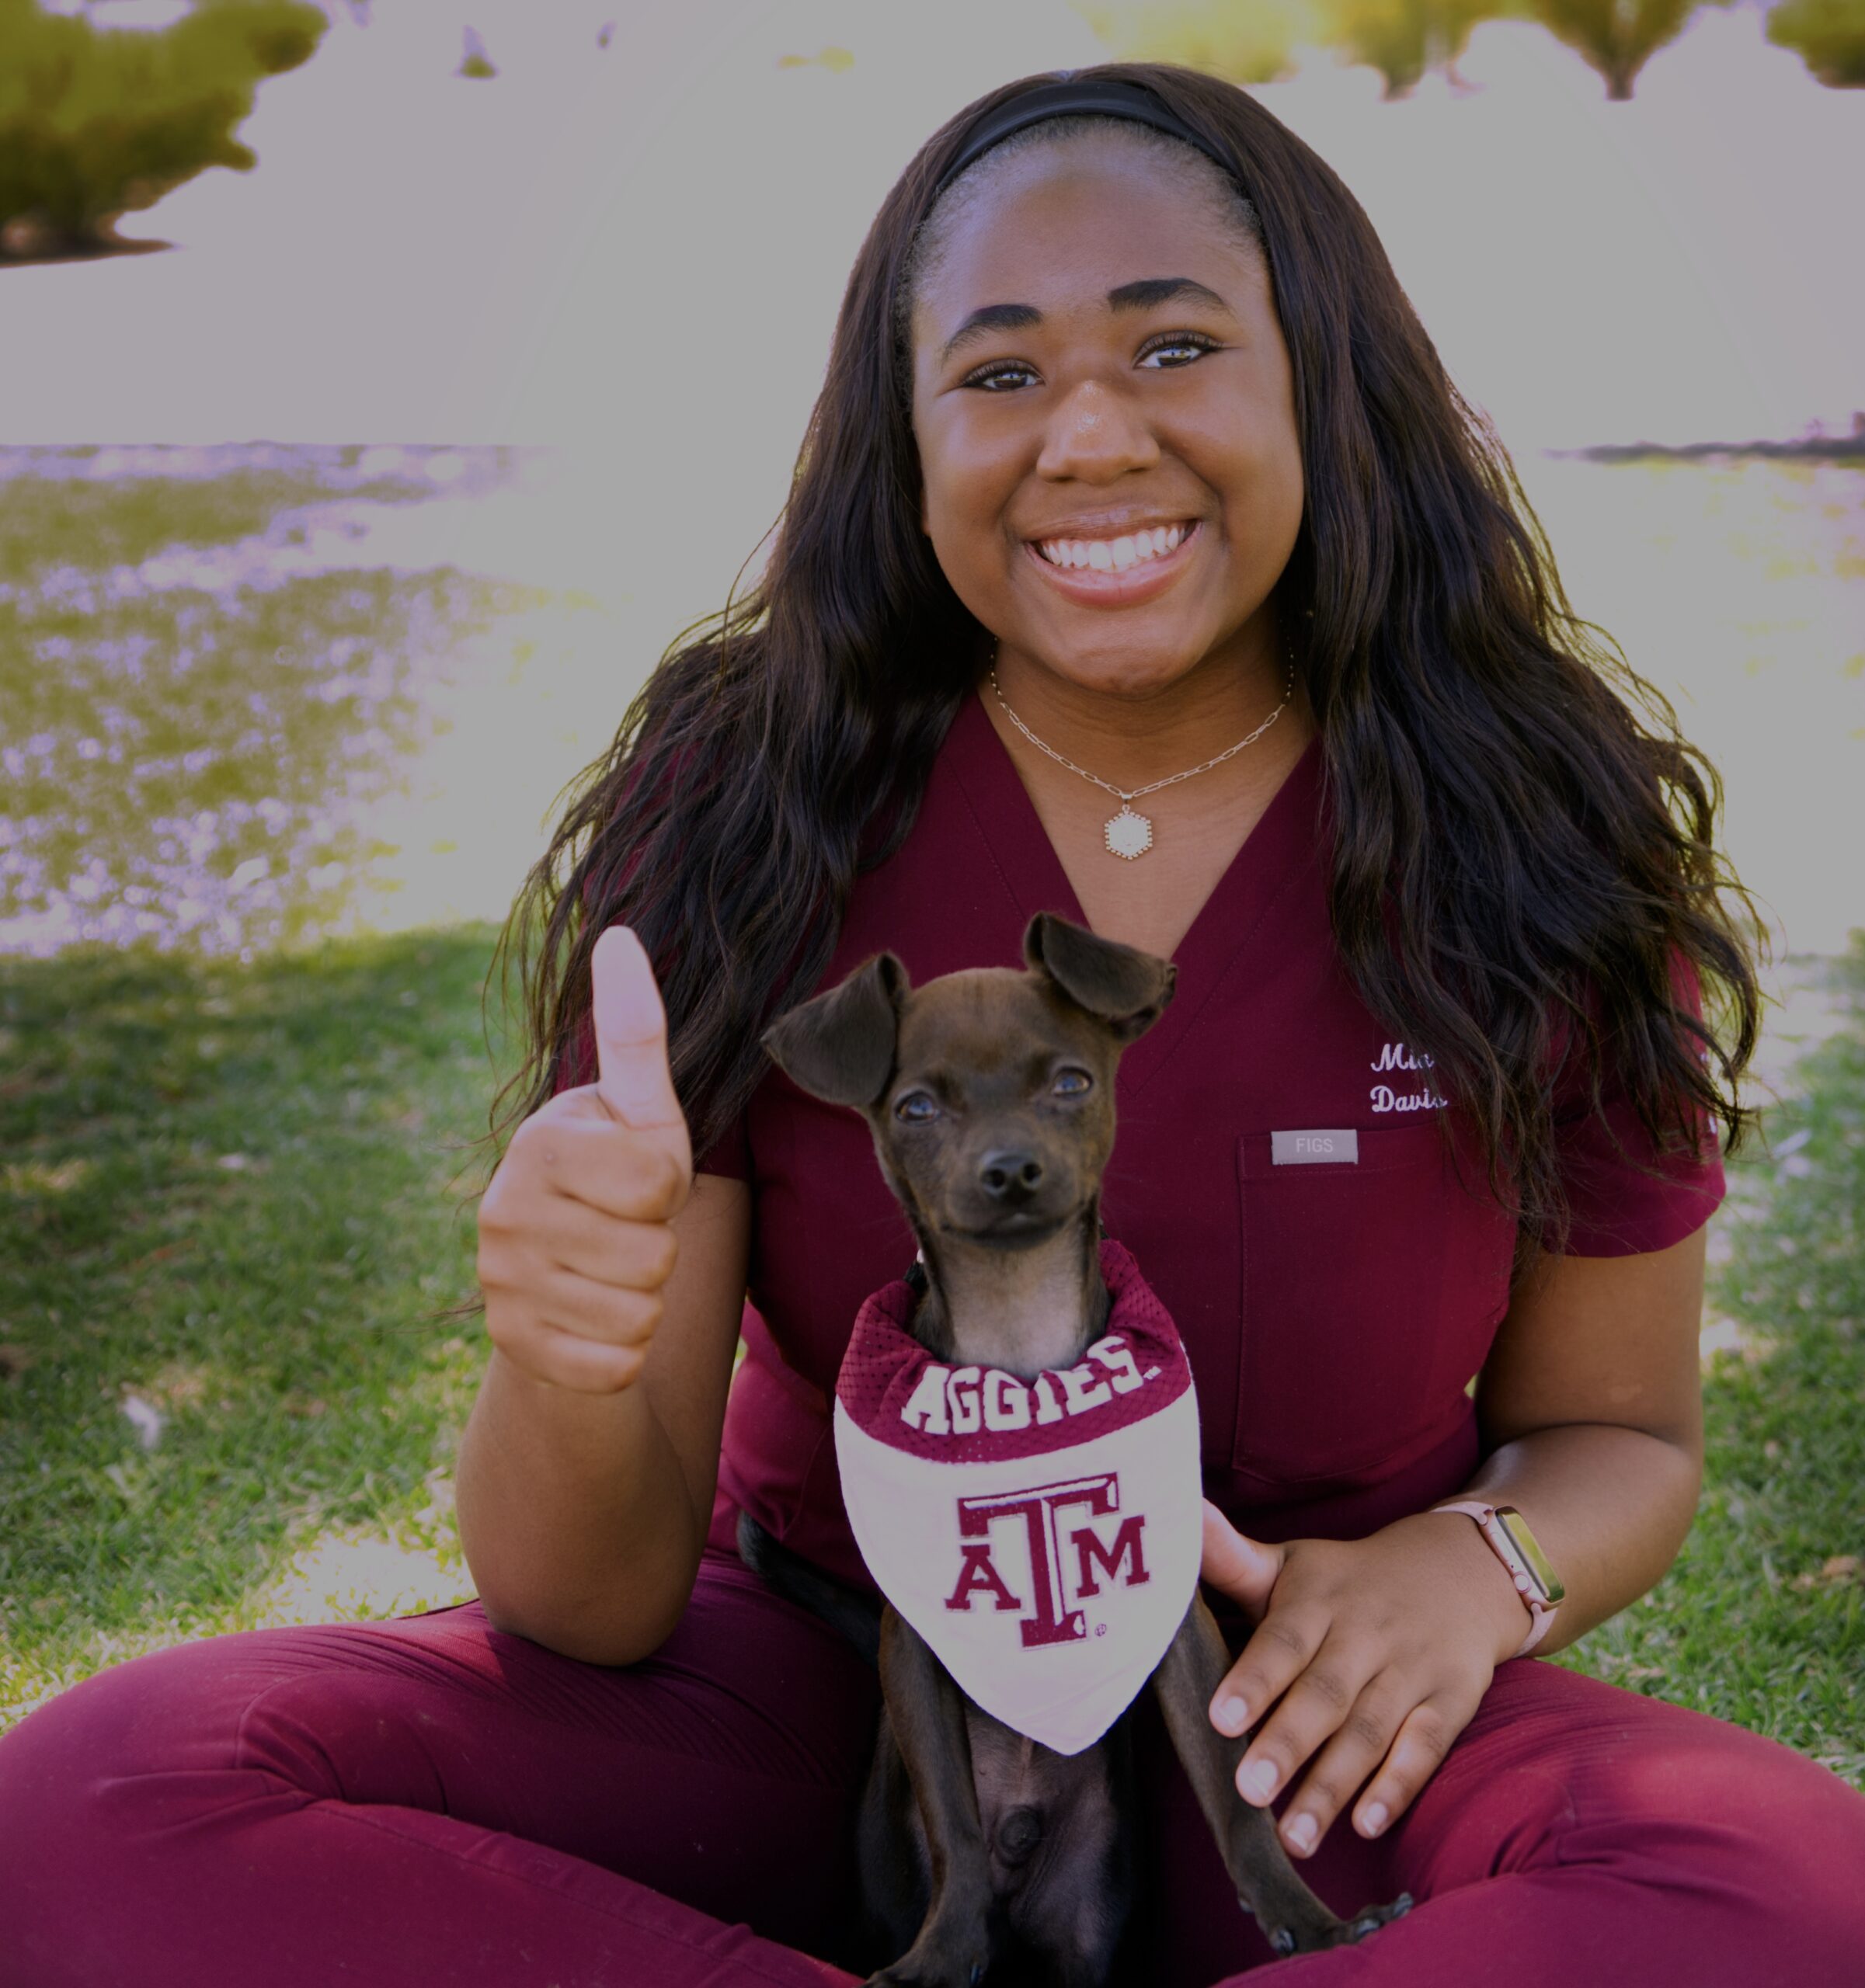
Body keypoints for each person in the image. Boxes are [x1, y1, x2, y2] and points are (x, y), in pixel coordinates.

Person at [2, 61, 1861, 1988]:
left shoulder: (1527, 822)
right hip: (838, 1705)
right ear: (903, 439)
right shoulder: (753, 795)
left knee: (1789, 1893)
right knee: (102, 1803)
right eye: (996, 373)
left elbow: (1615, 1431)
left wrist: (1471, 1568)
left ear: (1320, 377)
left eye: (1172, 345)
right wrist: (558, 1349)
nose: (1084, 434)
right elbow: (590, 1597)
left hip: (1300, 1721)